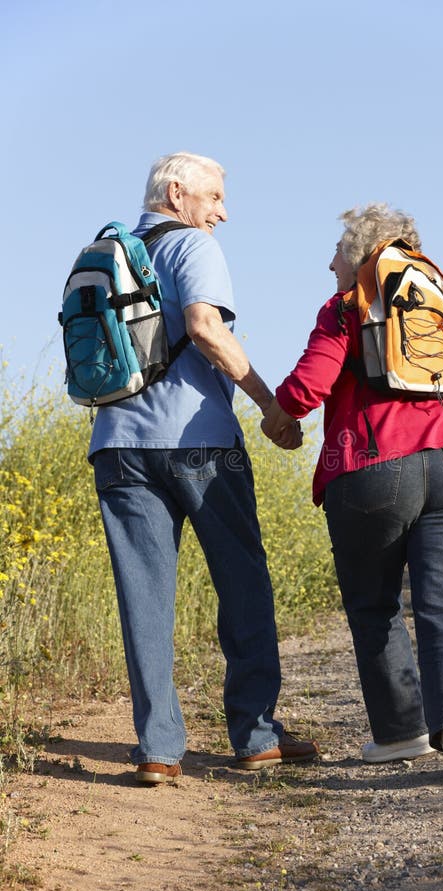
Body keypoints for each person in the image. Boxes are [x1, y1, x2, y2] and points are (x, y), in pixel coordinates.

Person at [88, 151, 318, 783]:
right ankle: (255, 735)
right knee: (242, 582)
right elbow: (204, 326)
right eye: (214, 196)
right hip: (199, 442)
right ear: (177, 193)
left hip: (118, 444)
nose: (223, 212)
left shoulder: (110, 253)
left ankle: (158, 749)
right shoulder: (191, 245)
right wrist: (271, 406)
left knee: (144, 598)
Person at [261, 203, 443, 776]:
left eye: (338, 251)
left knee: (374, 604)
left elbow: (308, 386)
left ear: (361, 254)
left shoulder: (348, 304)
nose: (331, 264)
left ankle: (401, 733)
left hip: (373, 469)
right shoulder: (441, 304)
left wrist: (276, 418)